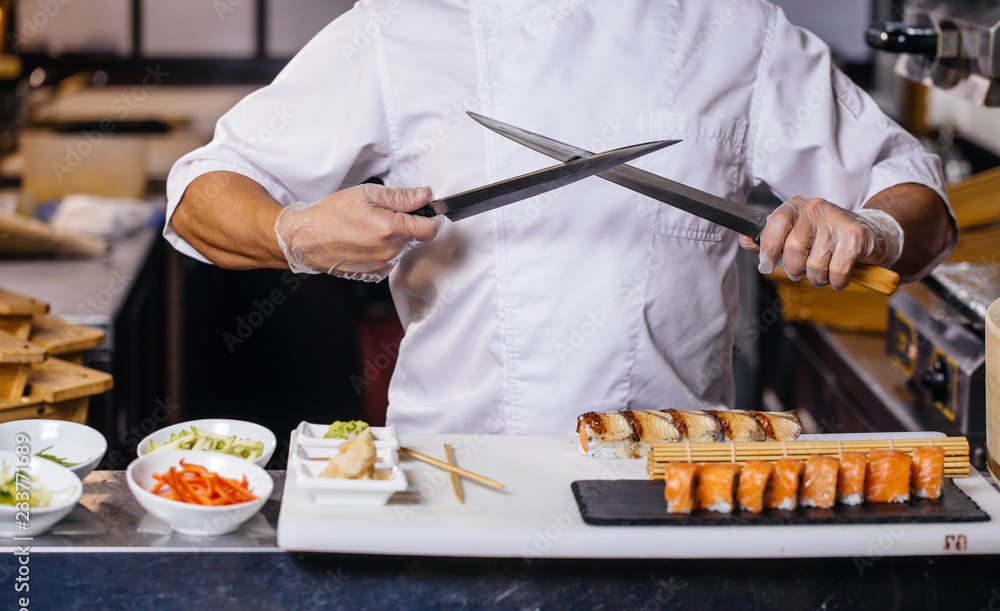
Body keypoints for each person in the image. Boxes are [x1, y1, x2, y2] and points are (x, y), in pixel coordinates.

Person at [165, 0, 955, 436]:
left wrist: (869, 231)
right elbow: (201, 192)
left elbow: (920, 198)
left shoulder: (736, 30)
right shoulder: (399, 28)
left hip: (676, 487)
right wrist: (297, 234)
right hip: (452, 482)